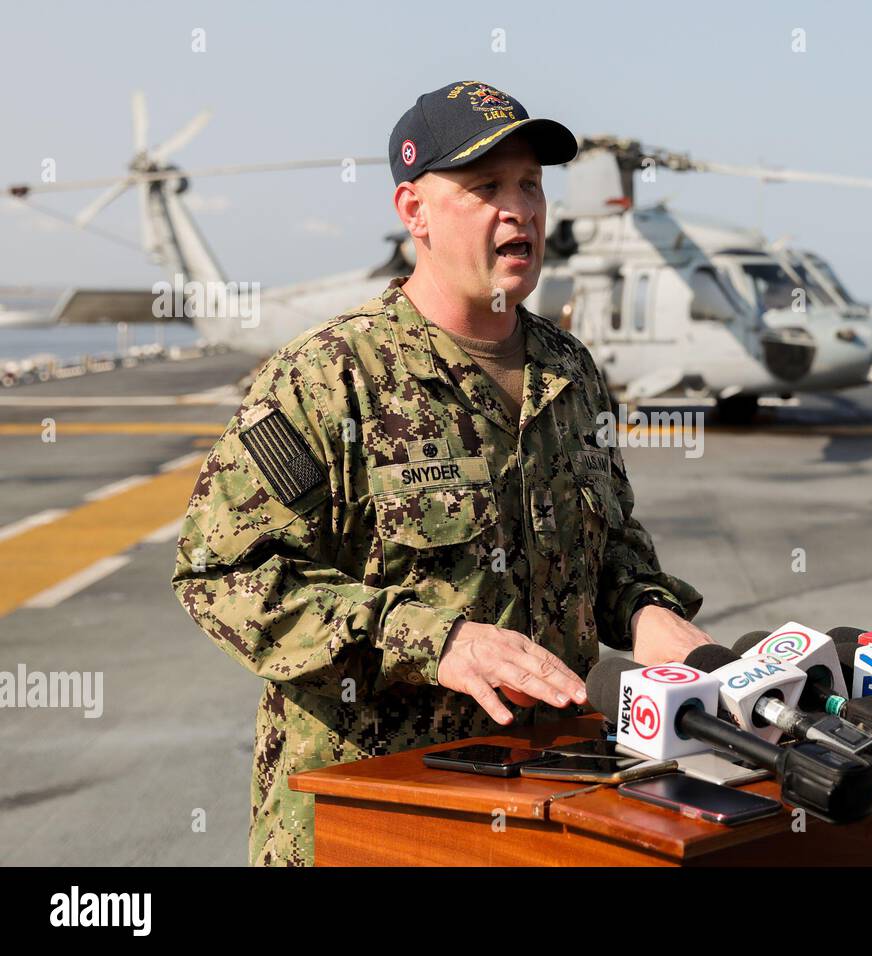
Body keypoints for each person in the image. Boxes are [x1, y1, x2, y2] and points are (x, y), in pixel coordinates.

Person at [171, 80, 712, 866]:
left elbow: (611, 547)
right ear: (414, 211)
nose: (519, 208)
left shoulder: (571, 371)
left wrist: (646, 611)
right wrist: (435, 640)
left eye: (530, 184)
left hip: (551, 808)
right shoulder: (329, 377)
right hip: (373, 817)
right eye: (484, 187)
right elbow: (220, 575)